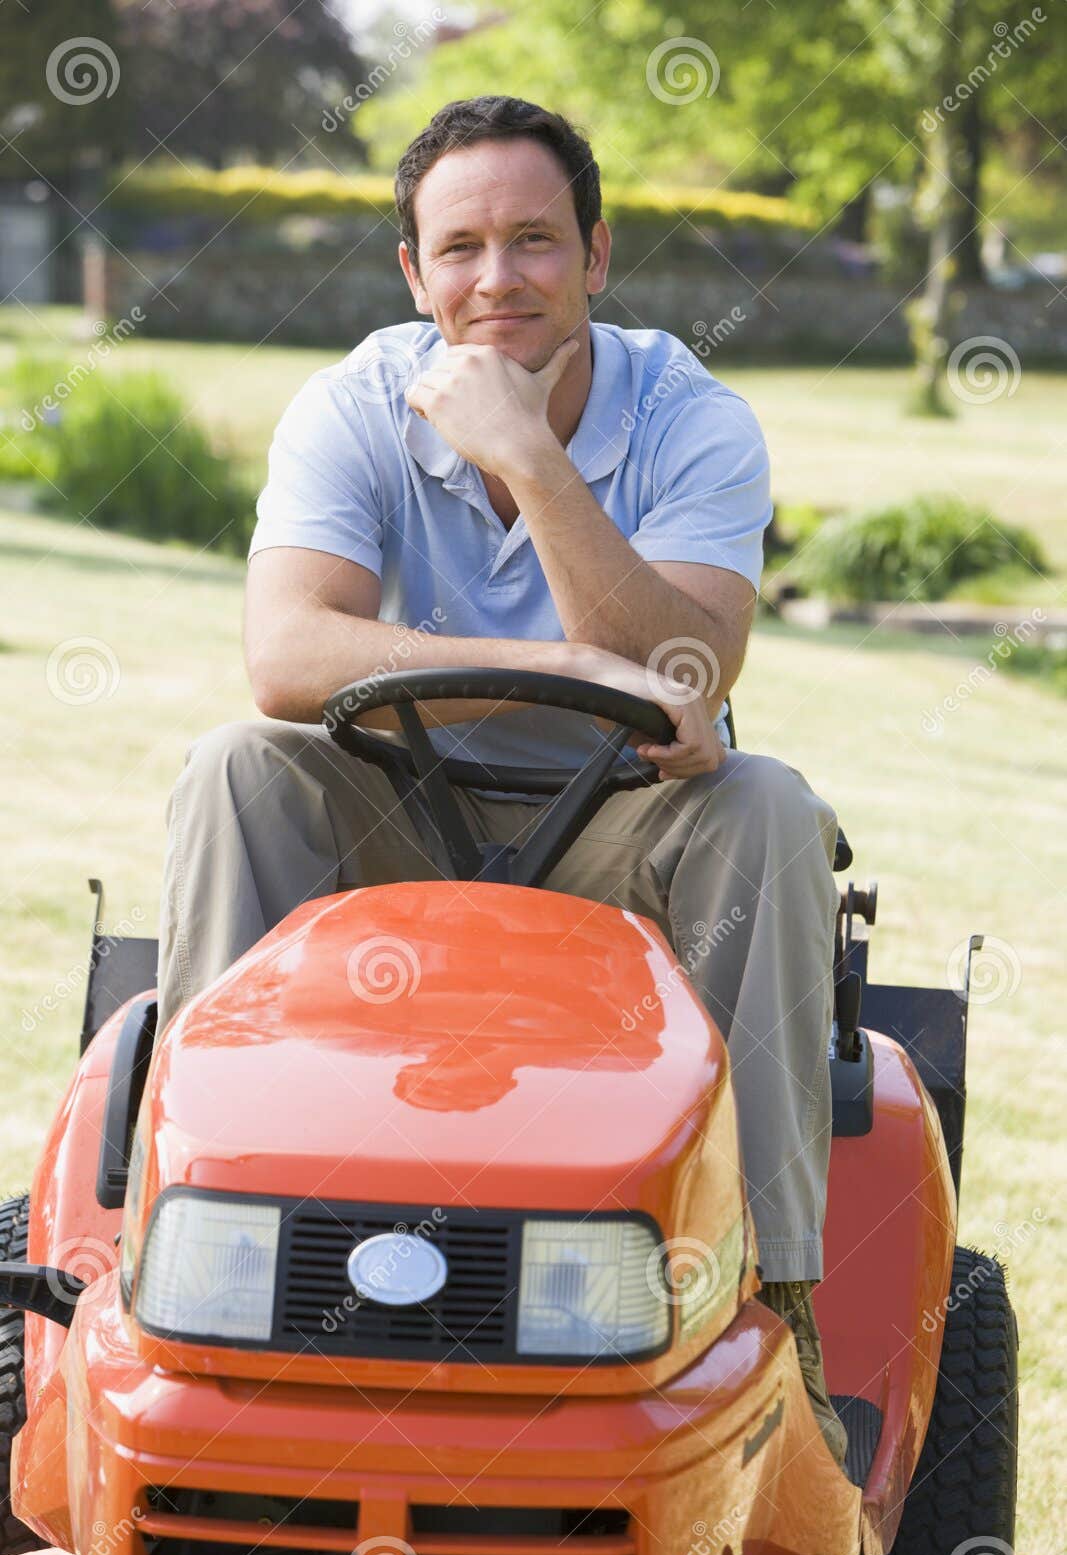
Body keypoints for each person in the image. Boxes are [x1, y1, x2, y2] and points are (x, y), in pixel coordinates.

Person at [155, 95, 847, 1469]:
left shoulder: (694, 418)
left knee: (765, 800)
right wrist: (590, 667)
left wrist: (528, 455)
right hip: (392, 817)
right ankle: (197, 1247)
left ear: (597, 254)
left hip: (625, 835)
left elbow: (688, 668)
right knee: (238, 767)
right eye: (460, 248)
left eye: (533, 241)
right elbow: (287, 652)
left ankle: (773, 1306)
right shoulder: (352, 401)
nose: (496, 279)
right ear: (413, 276)